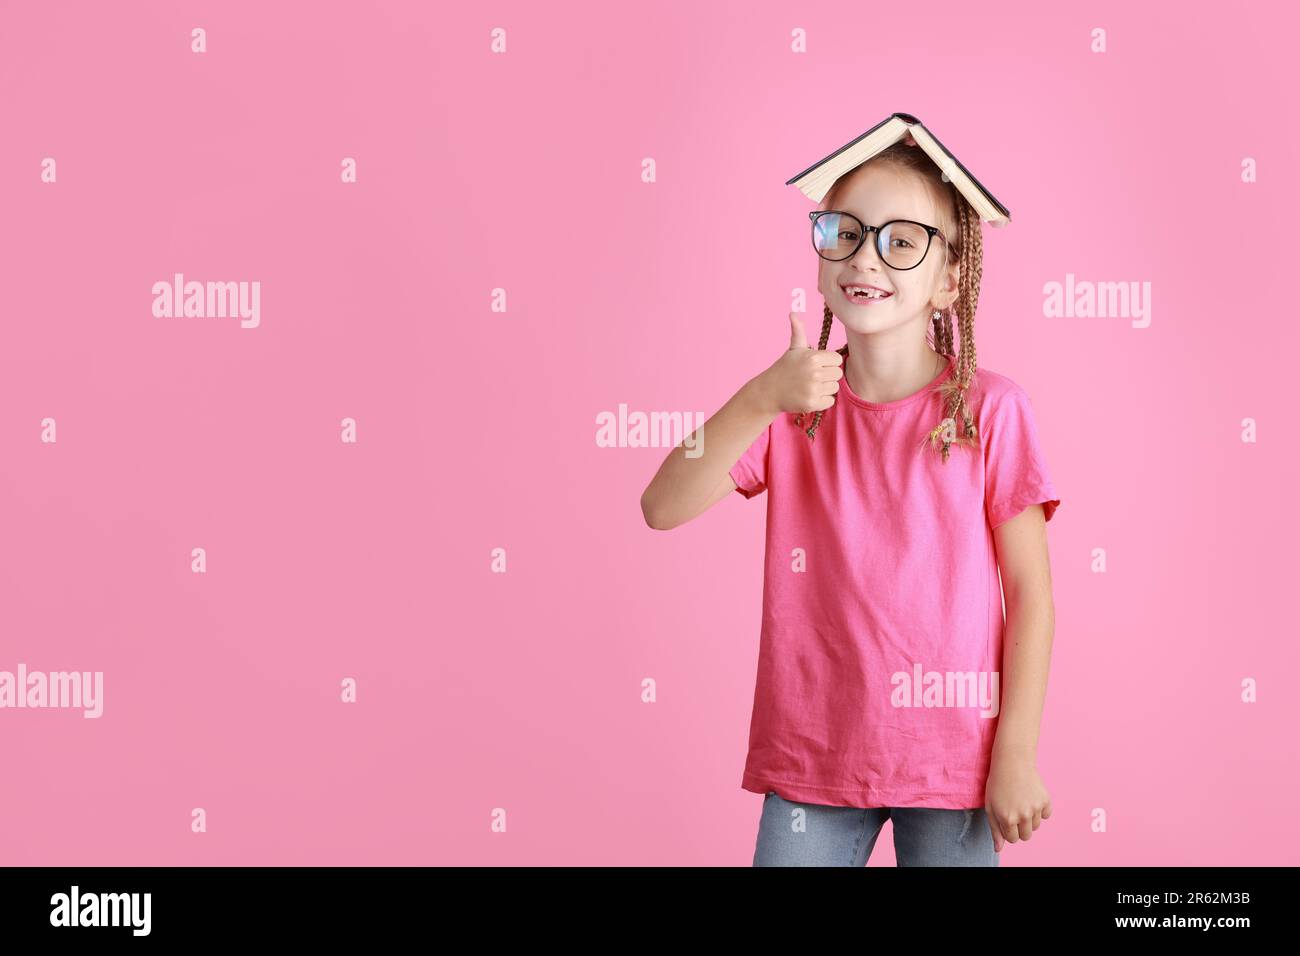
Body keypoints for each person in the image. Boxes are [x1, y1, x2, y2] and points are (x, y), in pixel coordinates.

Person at [639, 139, 1061, 866]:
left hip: (954, 761)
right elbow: (662, 505)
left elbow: (1031, 594)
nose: (865, 257)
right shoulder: (790, 406)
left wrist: (1015, 754)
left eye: (902, 241)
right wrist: (759, 397)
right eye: (845, 233)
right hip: (814, 755)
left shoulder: (992, 410)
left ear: (948, 281)